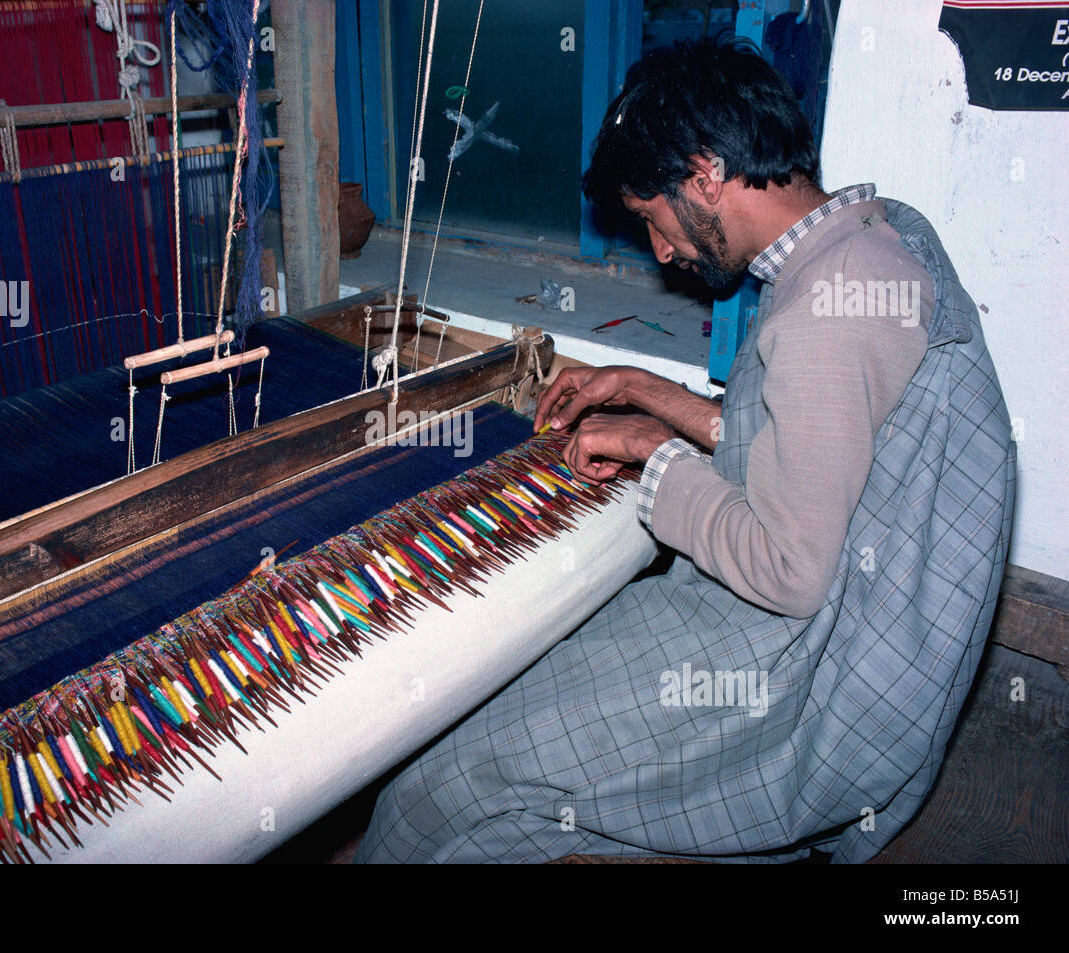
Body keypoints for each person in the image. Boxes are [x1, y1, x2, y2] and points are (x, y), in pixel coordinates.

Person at [354, 37, 1016, 863]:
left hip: (790, 676)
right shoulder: (877, 243)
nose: (663, 251)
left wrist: (656, 463)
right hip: (842, 633)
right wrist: (650, 396)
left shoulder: (823, 316)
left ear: (705, 174)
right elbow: (817, 444)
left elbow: (788, 571)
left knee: (442, 782)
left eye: (652, 220)